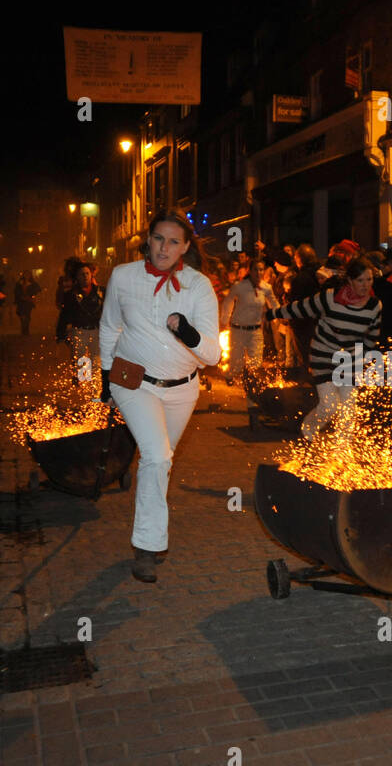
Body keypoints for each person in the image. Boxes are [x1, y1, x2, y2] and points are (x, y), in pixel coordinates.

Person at [99, 210, 221, 582]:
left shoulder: (198, 286)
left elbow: (213, 355)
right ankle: (147, 547)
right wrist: (106, 380)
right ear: (147, 240)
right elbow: (108, 327)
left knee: (158, 461)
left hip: (183, 389)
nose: (163, 247)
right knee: (157, 455)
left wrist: (186, 332)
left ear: (185, 246)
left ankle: (148, 513)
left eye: (173, 241)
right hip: (134, 383)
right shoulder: (122, 276)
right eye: (158, 239)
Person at [266, 255, 380, 435]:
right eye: (360, 280)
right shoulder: (330, 298)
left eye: (369, 280)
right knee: (330, 405)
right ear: (350, 281)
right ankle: (309, 430)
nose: (365, 285)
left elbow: (371, 337)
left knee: (349, 409)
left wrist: (364, 362)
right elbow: (302, 307)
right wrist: (272, 313)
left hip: (349, 358)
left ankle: (342, 454)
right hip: (324, 356)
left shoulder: (374, 306)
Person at [220, 255, 279, 377]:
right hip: (238, 329)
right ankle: (233, 382)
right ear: (250, 270)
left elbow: (274, 304)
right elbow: (228, 301)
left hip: (255, 330)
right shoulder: (239, 286)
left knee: (255, 363)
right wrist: (224, 319)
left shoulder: (266, 288)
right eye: (255, 269)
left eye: (261, 269)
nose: (258, 272)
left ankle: (252, 387)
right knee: (237, 363)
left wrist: (282, 316)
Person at [55, 258, 104, 374]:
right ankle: (82, 383)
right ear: (77, 277)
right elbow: (64, 315)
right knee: (81, 359)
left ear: (91, 275)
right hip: (79, 330)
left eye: (87, 273)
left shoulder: (100, 292)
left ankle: (94, 384)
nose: (85, 276)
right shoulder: (71, 295)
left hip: (97, 330)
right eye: (82, 274)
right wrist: (60, 334)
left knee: (96, 358)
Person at [13, 270, 41, 335]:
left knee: (27, 315)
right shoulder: (19, 283)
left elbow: (38, 289)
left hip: (28, 302)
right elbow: (16, 291)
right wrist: (20, 296)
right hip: (21, 301)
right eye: (25, 274)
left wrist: (32, 295)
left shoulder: (32, 283)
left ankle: (26, 329)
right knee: (21, 315)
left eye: (28, 275)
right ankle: (23, 328)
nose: (26, 276)